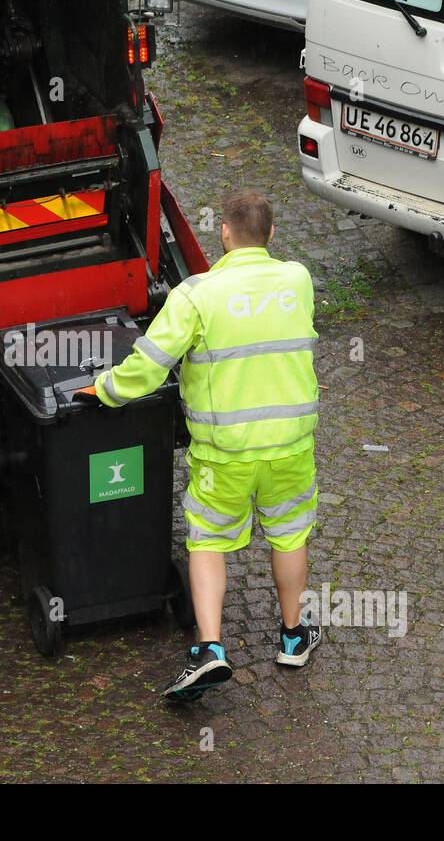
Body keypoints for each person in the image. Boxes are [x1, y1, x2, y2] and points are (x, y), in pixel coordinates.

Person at [77, 190, 321, 701]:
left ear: (224, 234)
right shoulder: (298, 280)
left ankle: (210, 649)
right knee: (289, 532)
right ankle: (294, 638)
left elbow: (149, 365)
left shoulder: (195, 295)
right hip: (291, 445)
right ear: (272, 235)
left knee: (207, 539)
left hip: (223, 454)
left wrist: (104, 390)